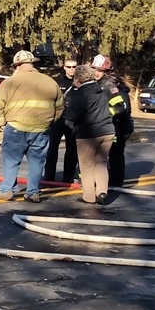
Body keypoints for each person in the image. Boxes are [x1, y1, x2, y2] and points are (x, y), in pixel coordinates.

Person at [0, 50, 64, 203]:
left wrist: (0, 122)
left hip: (16, 127)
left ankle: (7, 190)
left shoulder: (11, 82)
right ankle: (33, 193)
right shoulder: (50, 82)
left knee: (11, 161)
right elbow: (60, 107)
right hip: (41, 130)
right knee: (37, 162)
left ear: (17, 65)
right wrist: (50, 122)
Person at [63, 64, 116, 205]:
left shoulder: (80, 94)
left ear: (78, 79)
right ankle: (102, 192)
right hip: (108, 131)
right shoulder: (102, 90)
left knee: (86, 165)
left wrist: (65, 114)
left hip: (88, 134)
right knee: (102, 163)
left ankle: (89, 196)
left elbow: (73, 115)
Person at [92, 54, 134, 189]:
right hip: (110, 125)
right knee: (105, 155)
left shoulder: (109, 86)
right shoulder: (98, 84)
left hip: (119, 127)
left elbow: (119, 108)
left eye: (100, 71)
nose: (96, 73)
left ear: (106, 72)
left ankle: (116, 183)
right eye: (95, 70)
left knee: (115, 154)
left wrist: (103, 115)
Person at [45, 57, 79, 184]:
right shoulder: (56, 82)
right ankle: (49, 176)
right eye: (69, 67)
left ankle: (68, 177)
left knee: (72, 150)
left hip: (73, 121)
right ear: (64, 67)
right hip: (57, 120)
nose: (71, 70)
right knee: (51, 148)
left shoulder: (81, 83)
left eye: (74, 67)